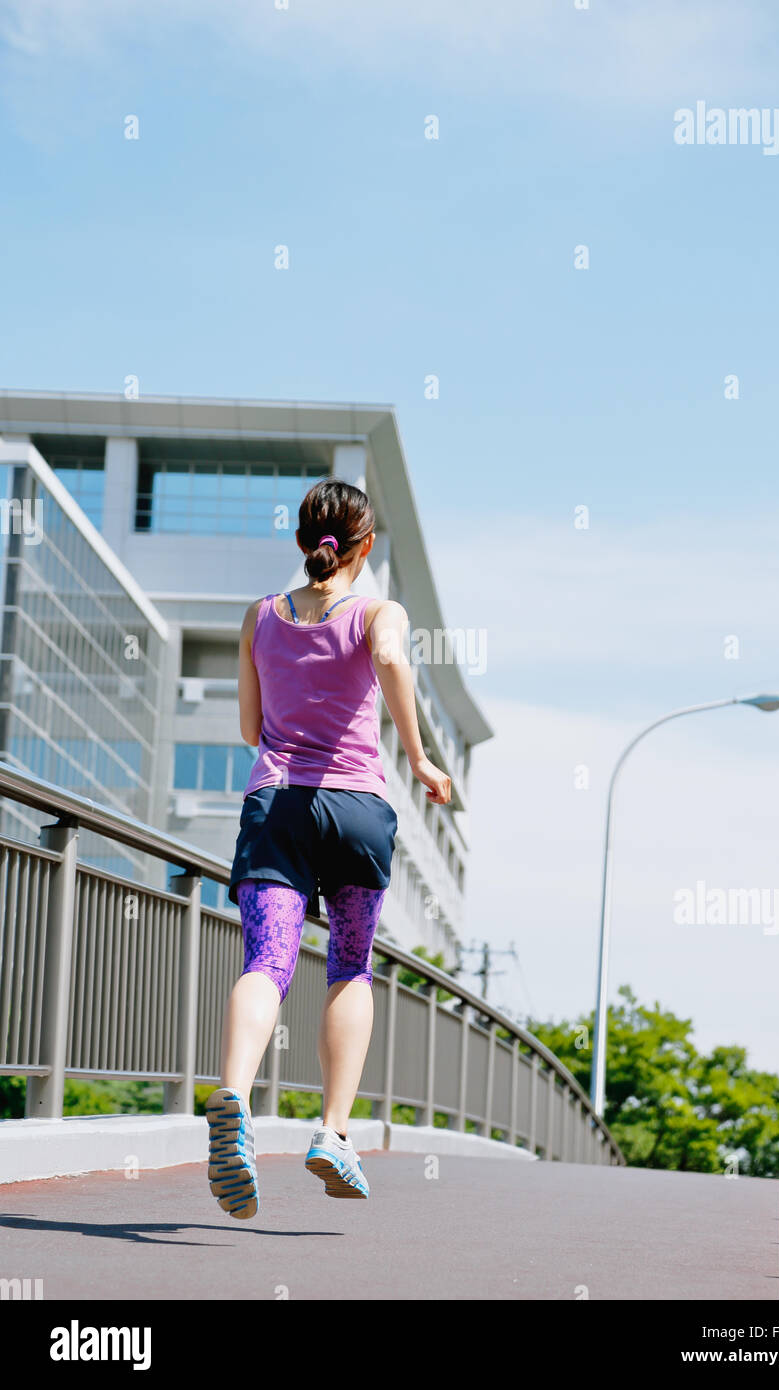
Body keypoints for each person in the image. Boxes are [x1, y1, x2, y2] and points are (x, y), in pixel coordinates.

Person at [206, 478, 451, 1216]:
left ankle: (234, 1097)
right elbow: (390, 658)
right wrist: (417, 754)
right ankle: (334, 1131)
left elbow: (251, 731)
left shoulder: (258, 617)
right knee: (348, 964)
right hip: (355, 809)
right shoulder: (379, 610)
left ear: (305, 541)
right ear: (364, 545)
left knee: (267, 962)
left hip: (275, 806)